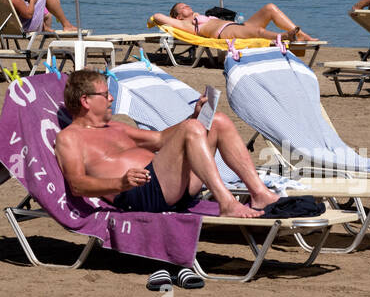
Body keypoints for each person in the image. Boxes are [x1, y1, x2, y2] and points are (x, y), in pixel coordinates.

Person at [55, 69, 279, 218]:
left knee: (218, 120)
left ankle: (259, 193)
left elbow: (161, 139)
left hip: (171, 187)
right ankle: (227, 203)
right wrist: (120, 183)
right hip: (139, 195)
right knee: (191, 129)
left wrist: (194, 116)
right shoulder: (70, 138)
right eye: (105, 95)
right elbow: (77, 185)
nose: (111, 99)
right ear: (85, 100)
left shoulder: (117, 127)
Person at [153, 2, 312, 42]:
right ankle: (284, 36)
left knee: (270, 8)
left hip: (237, 27)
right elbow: (158, 16)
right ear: (178, 17)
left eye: (185, 4)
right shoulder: (185, 24)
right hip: (225, 32)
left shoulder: (196, 17)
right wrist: (151, 19)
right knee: (258, 33)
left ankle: (303, 35)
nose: (186, 5)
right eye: (181, 7)